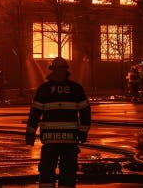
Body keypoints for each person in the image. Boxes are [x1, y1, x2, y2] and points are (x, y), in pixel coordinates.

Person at [26, 57, 91, 188]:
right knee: (68, 172)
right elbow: (85, 112)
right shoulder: (76, 88)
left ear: (52, 70)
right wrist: (83, 132)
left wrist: (30, 134)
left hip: (50, 140)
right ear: (66, 70)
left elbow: (35, 113)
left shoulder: (44, 89)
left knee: (46, 172)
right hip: (70, 140)